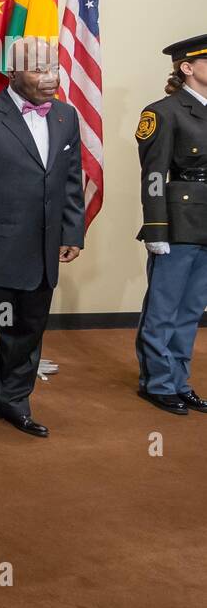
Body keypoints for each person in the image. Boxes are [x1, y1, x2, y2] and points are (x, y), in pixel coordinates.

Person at [0, 36, 84, 437]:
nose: (50, 76)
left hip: (42, 248)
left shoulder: (65, 116)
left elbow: (70, 180)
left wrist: (72, 230)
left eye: (53, 67)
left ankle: (13, 400)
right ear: (11, 73)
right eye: (39, 69)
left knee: (27, 330)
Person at [133, 32, 207, 416]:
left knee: (192, 309)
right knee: (164, 308)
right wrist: (156, 229)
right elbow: (154, 176)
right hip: (177, 224)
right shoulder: (163, 111)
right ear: (187, 68)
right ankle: (158, 383)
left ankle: (179, 380)